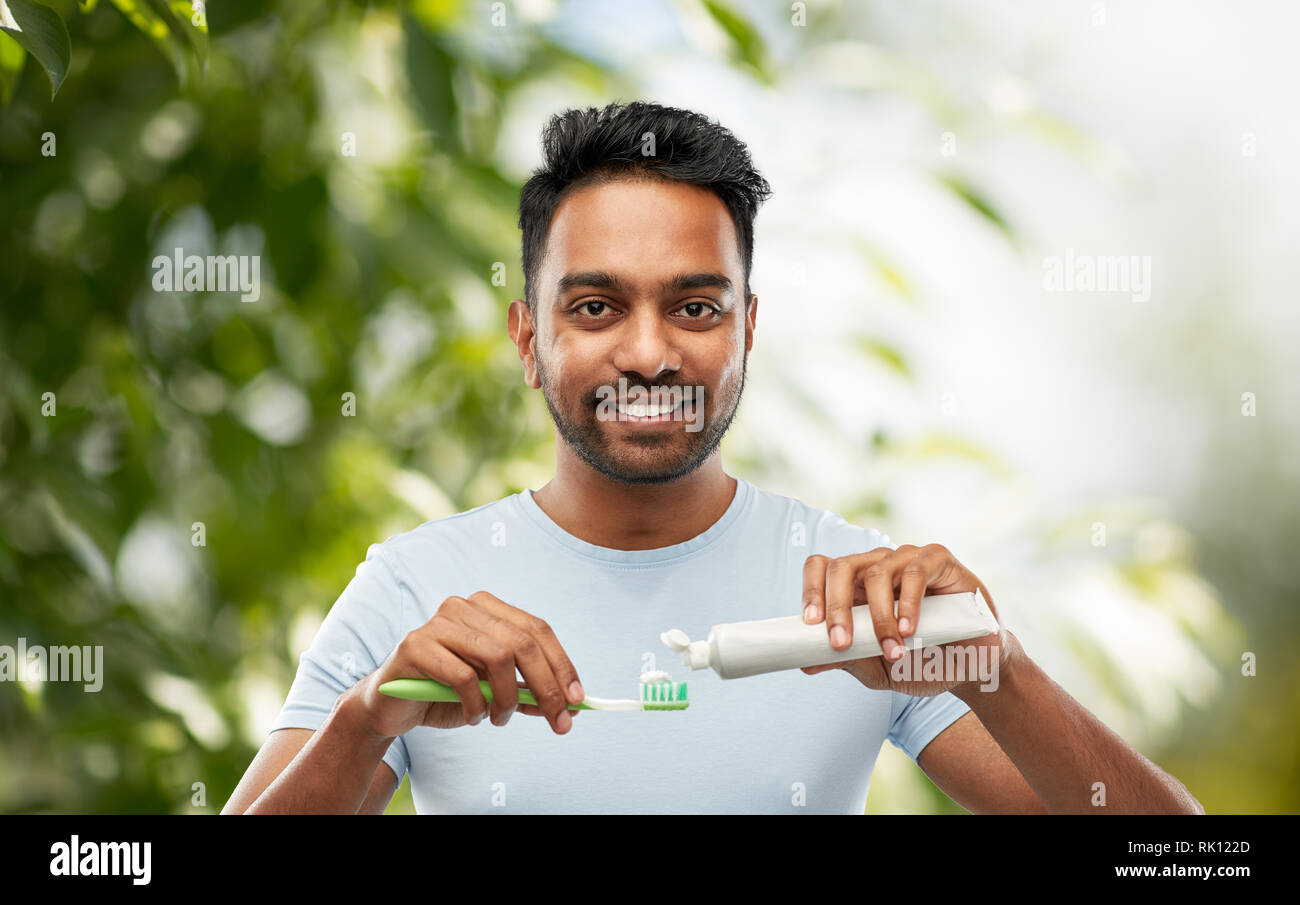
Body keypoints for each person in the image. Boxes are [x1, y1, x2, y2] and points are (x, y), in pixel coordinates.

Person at [223, 101, 1203, 814]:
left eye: (694, 307)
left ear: (747, 329)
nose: (649, 352)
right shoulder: (415, 590)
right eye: (596, 307)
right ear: (528, 341)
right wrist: (364, 722)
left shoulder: (864, 603)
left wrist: (998, 669)